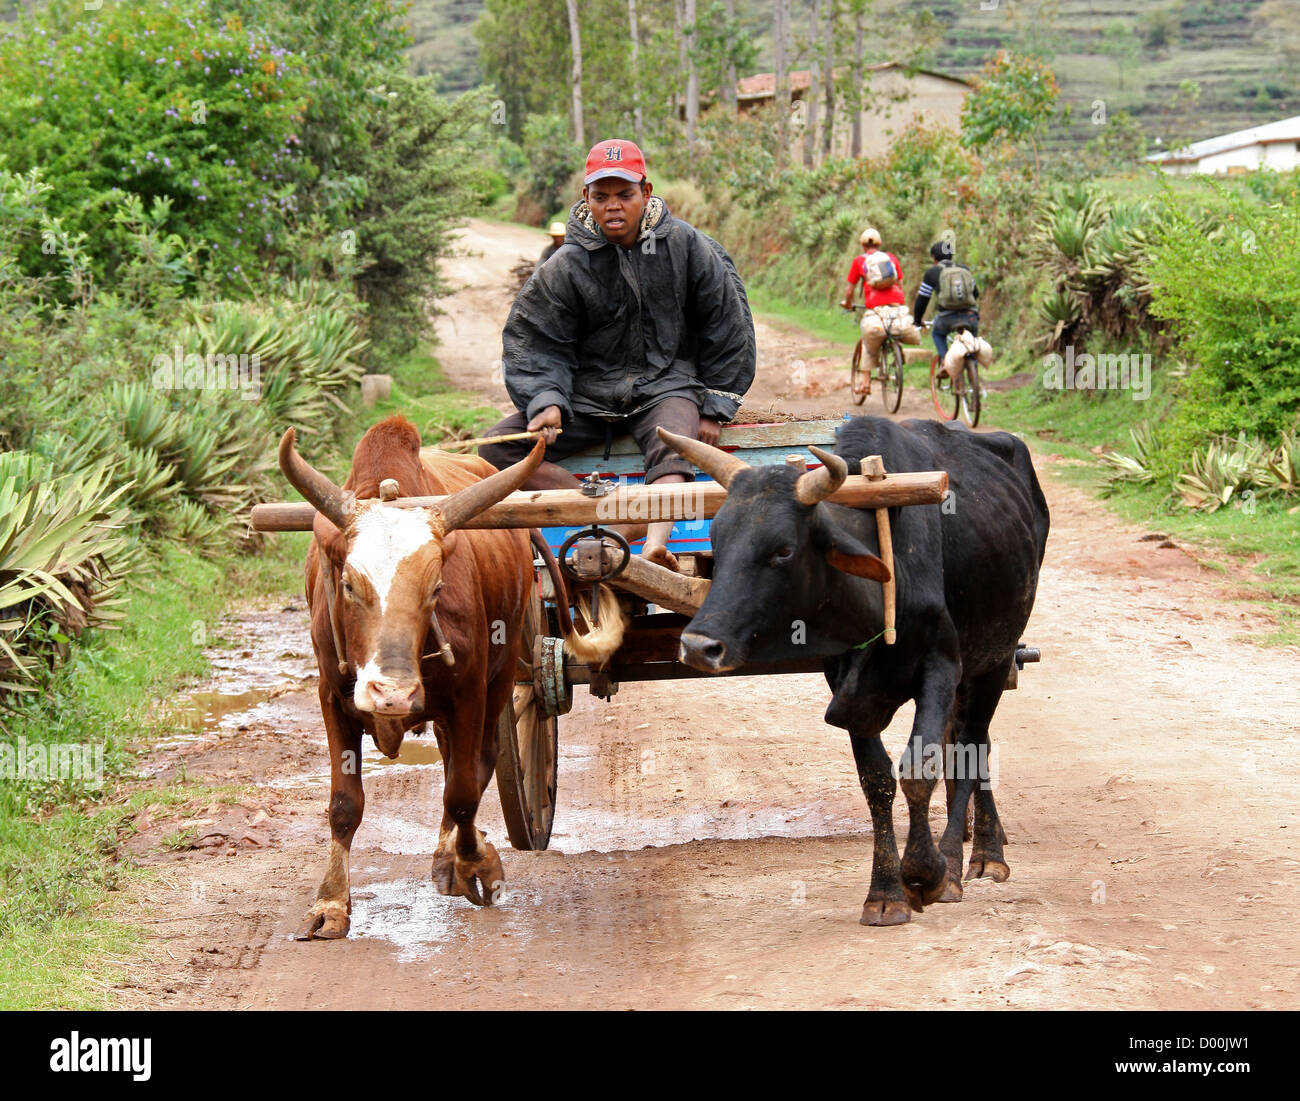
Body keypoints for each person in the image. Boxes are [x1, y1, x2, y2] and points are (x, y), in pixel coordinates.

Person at [479, 138, 755, 572]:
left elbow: (726, 321)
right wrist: (546, 400)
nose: (613, 206)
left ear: (645, 193)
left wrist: (715, 406)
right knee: (495, 452)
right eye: (601, 195)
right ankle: (605, 512)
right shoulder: (565, 265)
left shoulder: (686, 246)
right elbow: (536, 340)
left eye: (624, 194)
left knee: (675, 446)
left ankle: (652, 548)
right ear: (585, 198)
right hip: (586, 399)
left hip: (666, 388)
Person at [839, 227, 915, 396]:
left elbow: (850, 290)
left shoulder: (860, 261)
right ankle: (897, 348)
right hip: (896, 302)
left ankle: (865, 383)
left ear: (862, 245)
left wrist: (848, 303)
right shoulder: (891, 258)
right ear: (879, 243)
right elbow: (900, 284)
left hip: (875, 305)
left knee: (868, 339)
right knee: (896, 326)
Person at [913, 239, 980, 364]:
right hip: (970, 315)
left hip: (947, 317)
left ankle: (945, 362)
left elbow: (922, 299)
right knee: (972, 340)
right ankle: (974, 368)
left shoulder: (932, 273)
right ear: (951, 255)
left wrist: (917, 320)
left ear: (934, 258)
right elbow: (975, 293)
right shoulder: (964, 269)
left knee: (937, 334)